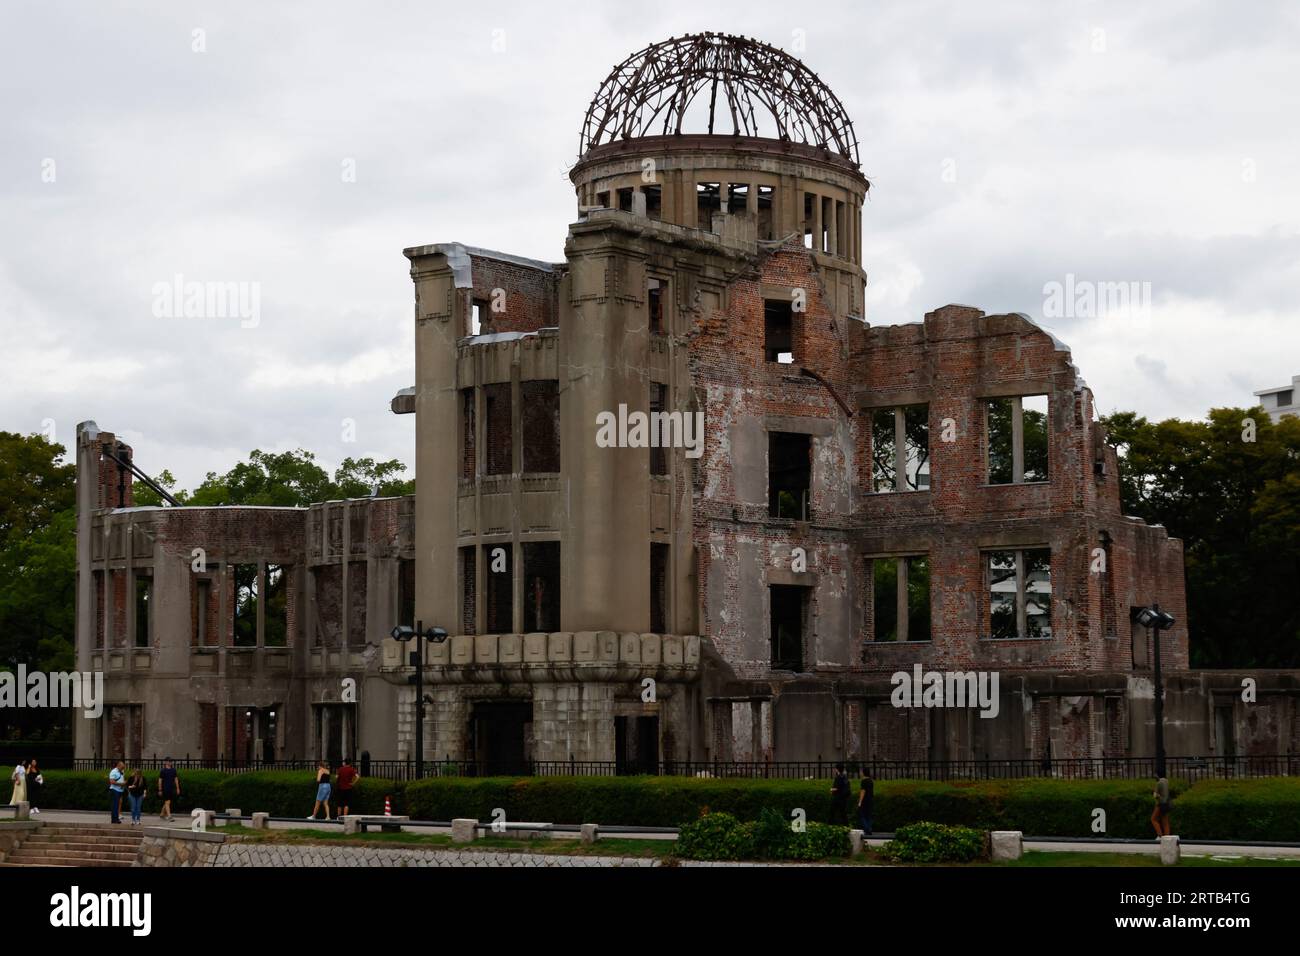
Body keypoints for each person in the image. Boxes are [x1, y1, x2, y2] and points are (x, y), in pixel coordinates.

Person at [108, 759, 126, 824]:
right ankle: (114, 820)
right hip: (114, 790)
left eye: (123, 767)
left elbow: (122, 779)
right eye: (122, 767)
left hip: (120, 790)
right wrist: (121, 784)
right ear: (118, 766)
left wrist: (124, 783)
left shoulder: (122, 771)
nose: (123, 768)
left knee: (118, 805)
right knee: (115, 805)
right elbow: (112, 781)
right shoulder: (113, 772)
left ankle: (116, 818)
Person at [857, 767, 874, 836]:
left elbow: (863, 791)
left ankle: (866, 828)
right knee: (869, 815)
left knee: (862, 815)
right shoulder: (871, 780)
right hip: (870, 799)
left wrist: (860, 801)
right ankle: (869, 828)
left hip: (865, 800)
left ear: (864, 773)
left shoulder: (863, 781)